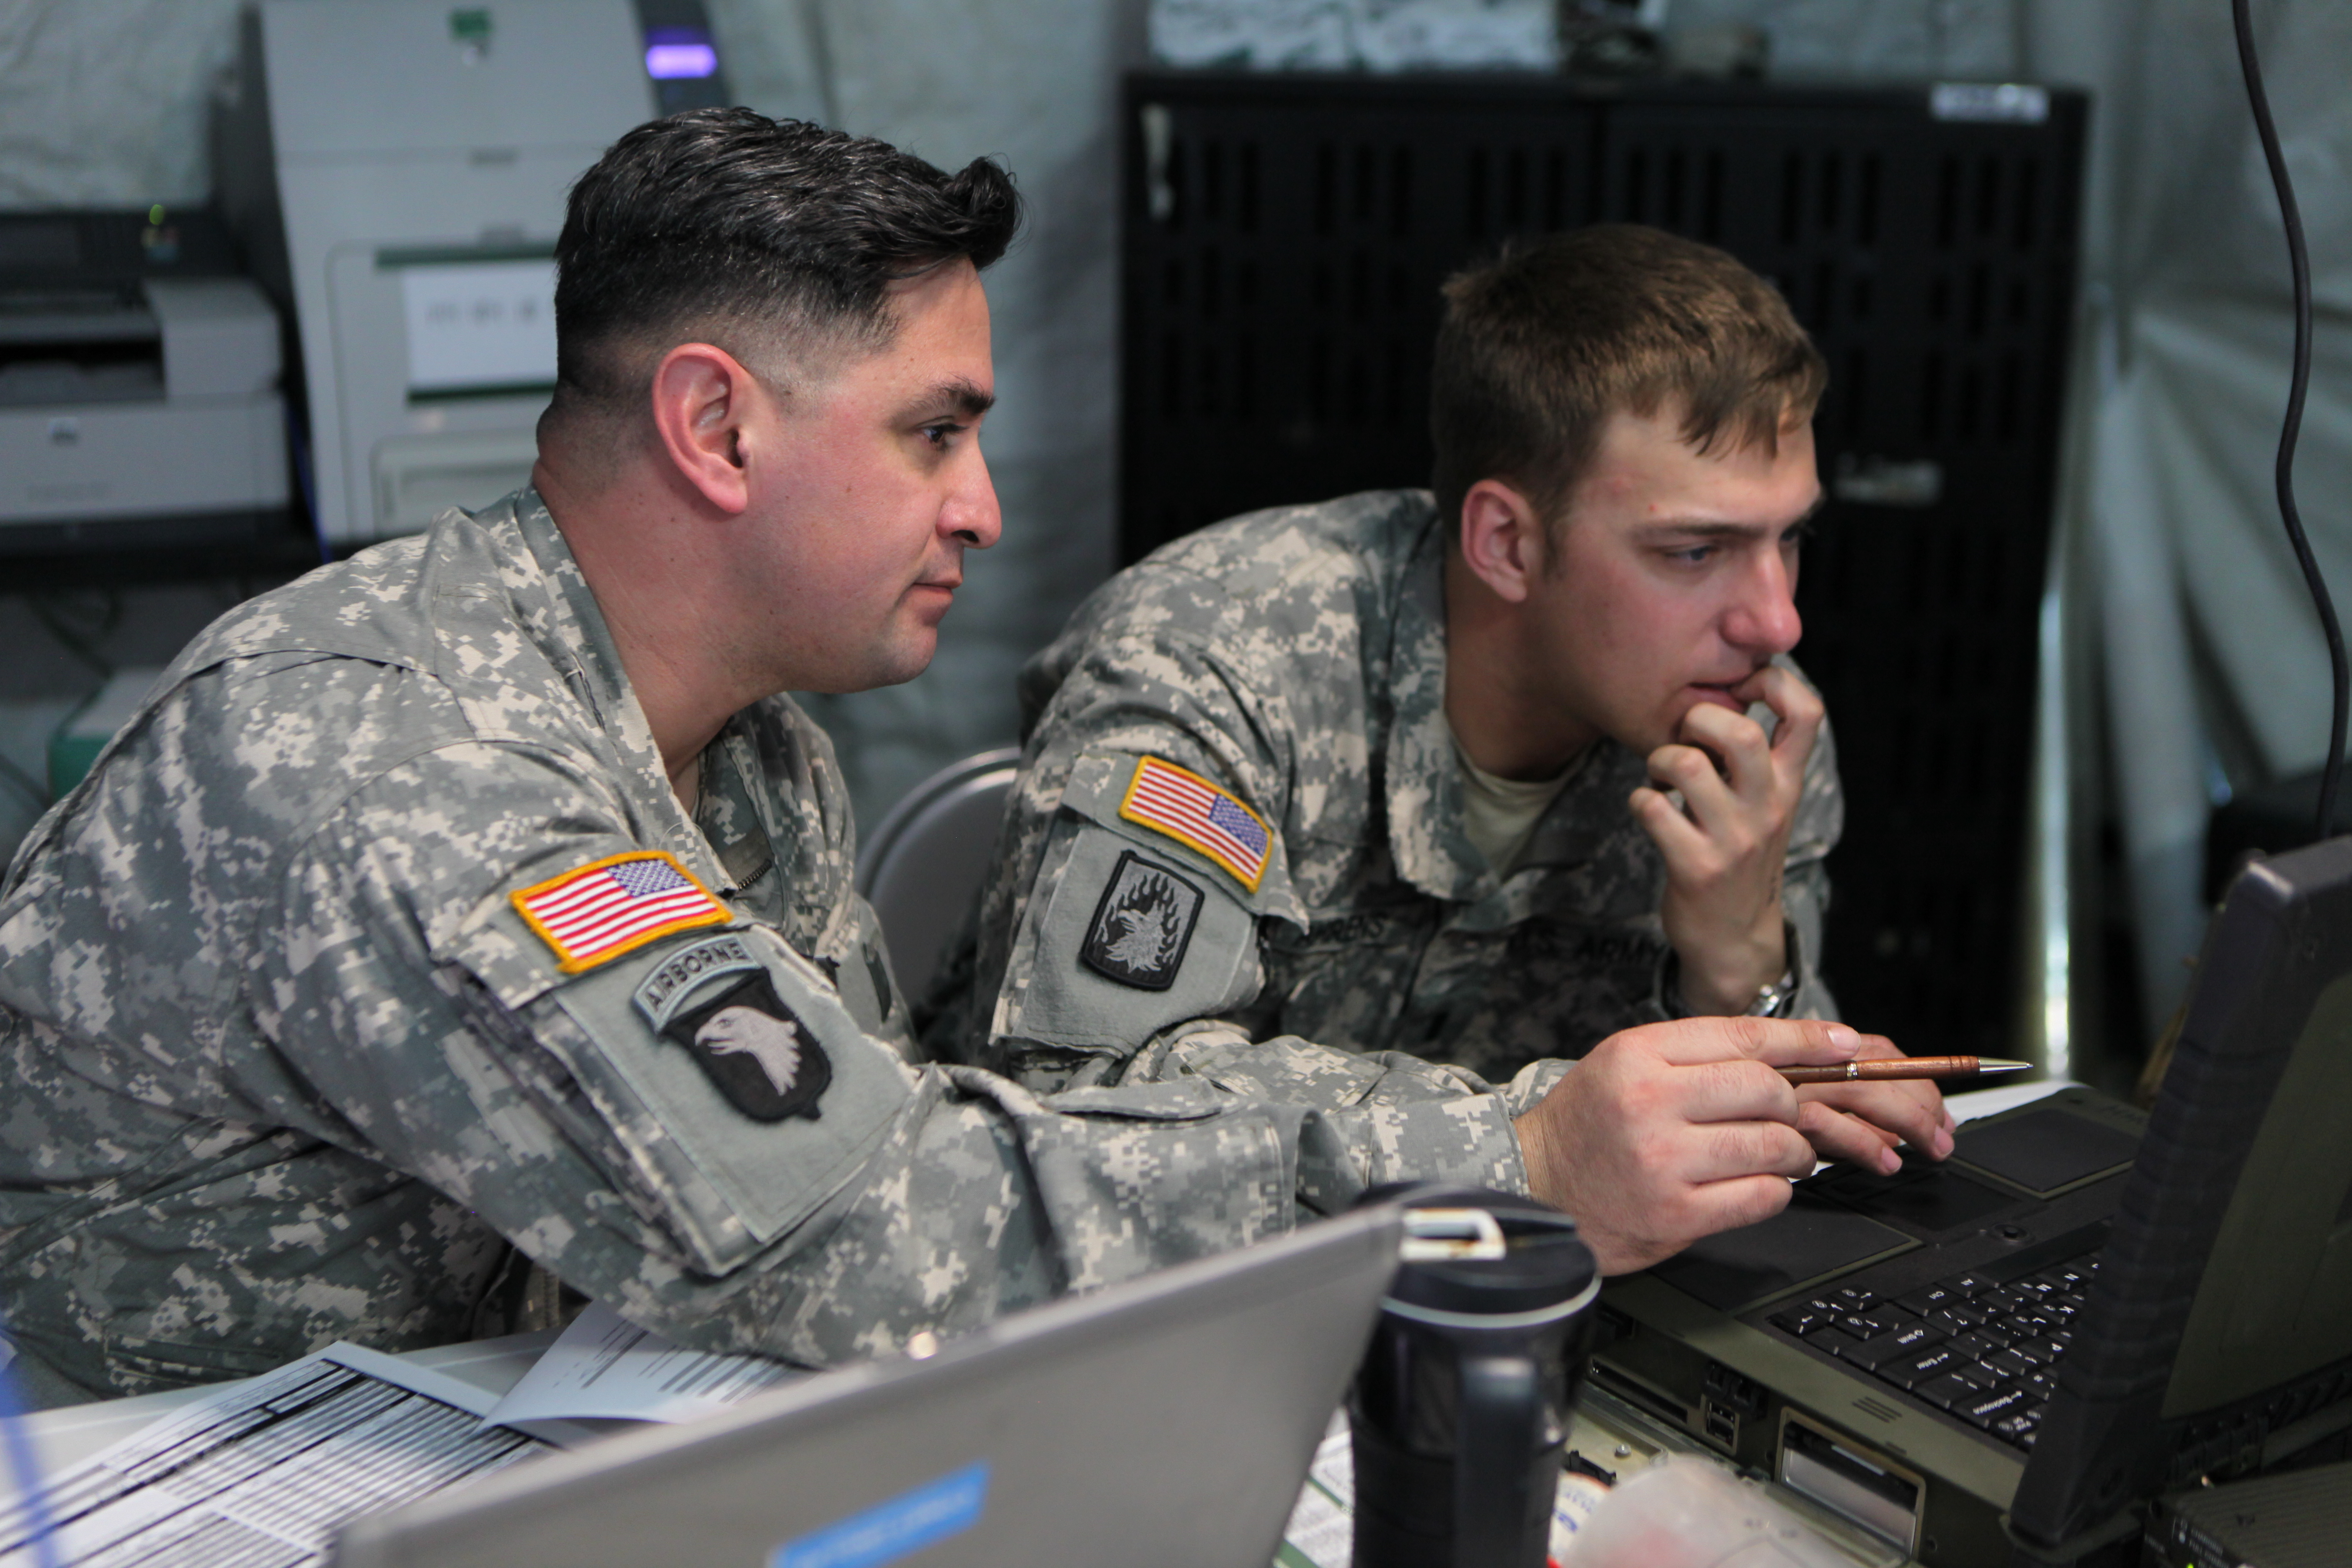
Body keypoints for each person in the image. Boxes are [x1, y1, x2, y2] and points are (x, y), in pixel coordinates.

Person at [0, 117, 1875, 1409]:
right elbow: (868, 1214)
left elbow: (889, 1151)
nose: (983, 506)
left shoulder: (753, 751)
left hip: (503, 1450)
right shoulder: (403, 752)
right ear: (716, 425)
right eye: (934, 433)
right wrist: (1515, 1151)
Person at [934, 223, 1954, 1252]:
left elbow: (1786, 1157)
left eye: (1791, 539)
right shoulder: (1218, 662)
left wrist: (1742, 968)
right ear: (1506, 542)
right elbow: (1083, 1106)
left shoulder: (1752, 727)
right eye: (1695, 551)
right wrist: (1535, 1149)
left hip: (1541, 1319)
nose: (1776, 622)